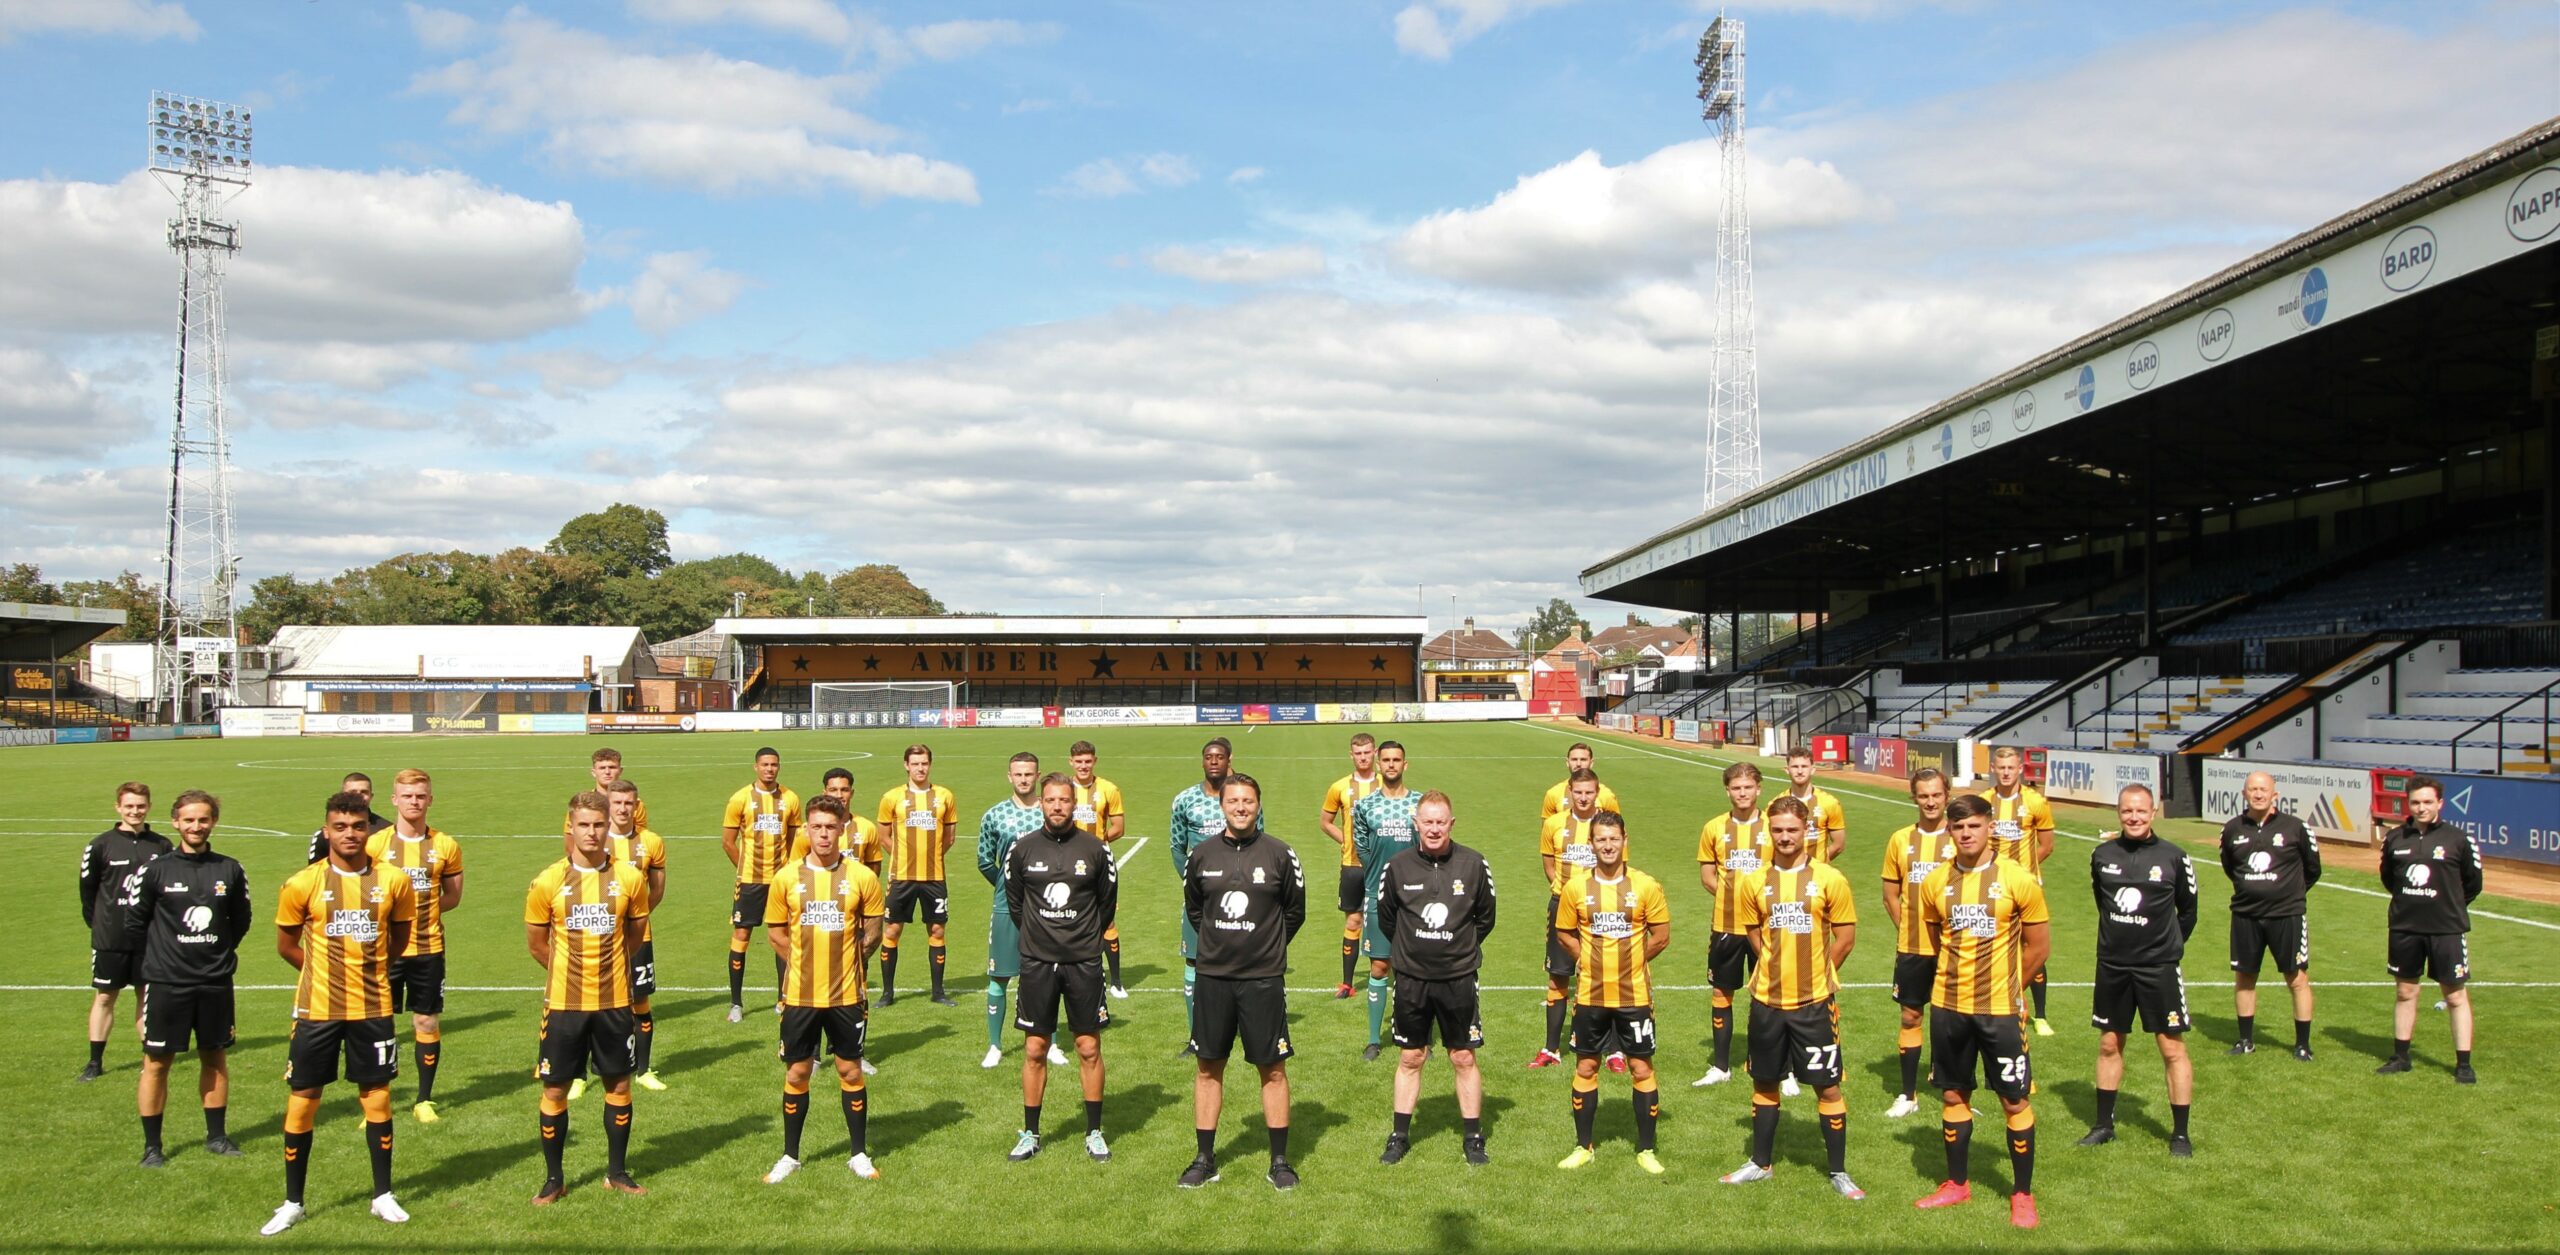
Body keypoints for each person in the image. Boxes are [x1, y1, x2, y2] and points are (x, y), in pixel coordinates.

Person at [261, 790, 419, 1235]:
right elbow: (287, 945)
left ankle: (382, 1195)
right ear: (327, 830)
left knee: (378, 1097)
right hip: (317, 1009)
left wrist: (370, 970)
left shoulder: (393, 881)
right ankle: (293, 1201)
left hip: (373, 1007)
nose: (350, 834)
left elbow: (400, 937)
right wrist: (325, 972)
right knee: (303, 1101)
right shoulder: (302, 883)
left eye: (358, 825)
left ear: (369, 828)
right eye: (340, 827)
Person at [1912, 794, 2049, 1230]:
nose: (1966, 833)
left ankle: (2022, 1194)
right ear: (1949, 831)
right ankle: (1957, 1183)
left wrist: (2011, 987)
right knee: (1953, 1094)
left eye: (1973, 825)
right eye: (1958, 827)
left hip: (2001, 1011)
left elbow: (2039, 946)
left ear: (1989, 825)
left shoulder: (2017, 878)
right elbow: (1936, 940)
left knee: (2013, 1098)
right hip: (1950, 1007)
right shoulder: (1936, 882)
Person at [1719, 797, 1861, 1196]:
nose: (1784, 837)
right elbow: (1753, 933)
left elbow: (1845, 939)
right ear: (1769, 831)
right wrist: (1772, 964)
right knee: (1765, 1082)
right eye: (1778, 830)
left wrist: (1817, 971)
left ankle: (1838, 1171)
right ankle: (1760, 1163)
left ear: (1806, 832)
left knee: (1828, 1086)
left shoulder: (1830, 879)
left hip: (1814, 1004)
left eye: (1792, 830)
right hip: (1766, 1001)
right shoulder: (1754, 882)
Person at [1178, 771, 1306, 1190]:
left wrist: (1264, 947)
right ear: (1222, 805)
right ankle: (1204, 1157)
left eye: (1248, 801)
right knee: (1208, 1067)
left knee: (1272, 1069)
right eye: (1233, 801)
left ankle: (1280, 1161)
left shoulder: (1280, 855)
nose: (1240, 807)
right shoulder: (1201, 855)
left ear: (1258, 805)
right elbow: (1196, 910)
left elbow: (1294, 912)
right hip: (1213, 977)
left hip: (1263, 979)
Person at [527, 791, 653, 1205]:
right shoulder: (547, 881)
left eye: (599, 824)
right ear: (571, 827)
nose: (592, 832)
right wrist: (570, 973)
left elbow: (633, 937)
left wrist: (606, 969)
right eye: (584, 824)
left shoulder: (630, 879)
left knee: (618, 1084)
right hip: (563, 1006)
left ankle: (616, 1172)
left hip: (615, 1002)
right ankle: (553, 1177)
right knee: (555, 1090)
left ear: (608, 827)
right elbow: (537, 945)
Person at [761, 796, 886, 1184]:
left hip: (848, 995)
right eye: (816, 826)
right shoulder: (786, 878)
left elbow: (874, 929)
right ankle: (790, 1155)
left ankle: (859, 1154)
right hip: (799, 995)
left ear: (842, 829)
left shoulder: (862, 876)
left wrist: (850, 957)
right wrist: (802, 961)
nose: (824, 834)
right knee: (798, 1072)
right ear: (806, 830)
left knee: (849, 1069)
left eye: (831, 827)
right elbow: (776, 933)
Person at [124, 788, 249, 1167]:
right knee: (157, 1063)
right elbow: (134, 923)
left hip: (214, 983)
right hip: (167, 984)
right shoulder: (156, 869)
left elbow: (240, 922)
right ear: (176, 822)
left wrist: (214, 953)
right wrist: (162, 963)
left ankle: (217, 1137)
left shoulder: (229, 868)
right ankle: (152, 1146)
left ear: (213, 821)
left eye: (204, 819)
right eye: (189, 820)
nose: (197, 826)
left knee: (214, 1058)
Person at [1371, 790, 1495, 1166]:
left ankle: (1473, 1138)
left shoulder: (1474, 864)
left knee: (1462, 1056)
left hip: (1458, 978)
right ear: (1417, 824)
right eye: (1428, 822)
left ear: (1451, 824)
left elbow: (1486, 918)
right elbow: (1387, 917)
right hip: (1412, 979)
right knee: (1411, 1056)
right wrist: (1413, 951)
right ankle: (1399, 1136)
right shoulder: (1398, 866)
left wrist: (1457, 948)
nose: (1435, 829)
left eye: (1441, 822)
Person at [1003, 773, 1119, 1164]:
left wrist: (1082, 939)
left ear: (1075, 804)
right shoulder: (1022, 849)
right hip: (1037, 963)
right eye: (1050, 800)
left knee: (1088, 1046)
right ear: (1042, 803)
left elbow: (1107, 902)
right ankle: (1030, 1133)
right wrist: (1040, 937)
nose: (1057, 806)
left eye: (1064, 800)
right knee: (1035, 1048)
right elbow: (1016, 902)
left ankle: (1094, 1131)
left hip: (1083, 961)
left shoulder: (1096, 849)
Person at [2079, 784, 2198, 1157]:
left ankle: (2179, 1133)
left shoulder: (2175, 857)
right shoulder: (2102, 855)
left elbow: (2189, 910)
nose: (2134, 817)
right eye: (2127, 811)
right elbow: (2102, 901)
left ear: (2154, 812)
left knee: (2171, 1047)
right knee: (2109, 1043)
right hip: (2113, 965)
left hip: (2158, 968)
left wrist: (2166, 946)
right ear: (2118, 812)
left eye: (2141, 811)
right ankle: (2103, 1125)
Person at [1555, 813, 1670, 1175]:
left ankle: (1647, 1149)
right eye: (1601, 839)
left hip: (1634, 996)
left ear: (1624, 840)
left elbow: (1662, 935)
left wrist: (1633, 963)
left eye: (1613, 839)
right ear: (1591, 843)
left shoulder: (1646, 885)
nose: (1607, 845)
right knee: (1587, 1065)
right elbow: (1564, 933)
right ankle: (1583, 1146)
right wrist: (1587, 960)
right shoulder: (1575, 888)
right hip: (1590, 995)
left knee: (1640, 1066)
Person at [366, 769, 465, 1124]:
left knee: (425, 1020)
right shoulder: (375, 845)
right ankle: (377, 1104)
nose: (414, 802)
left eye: (420, 796)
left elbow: (452, 896)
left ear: (430, 800)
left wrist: (421, 912)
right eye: (407, 796)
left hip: (427, 948)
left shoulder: (445, 845)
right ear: (394, 800)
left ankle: (424, 1098)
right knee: (379, 1026)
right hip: (383, 951)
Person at [2376, 777, 2482, 1083]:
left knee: (2455, 995)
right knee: (2405, 991)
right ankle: (2401, 1057)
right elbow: (2389, 879)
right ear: (2408, 804)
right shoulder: (2395, 838)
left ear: (2439, 804)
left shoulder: (2458, 840)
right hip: (2405, 927)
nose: (2421, 808)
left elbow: (2473, 883)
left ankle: (2463, 1064)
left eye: (2427, 802)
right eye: (2415, 803)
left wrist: (2447, 906)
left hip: (2446, 929)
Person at [2218, 771, 2319, 1060]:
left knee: (2297, 979)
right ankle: (2245, 1040)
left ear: (2275, 794)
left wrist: (2288, 893)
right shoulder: (2232, 829)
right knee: (2244, 977)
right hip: (2245, 915)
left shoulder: (2296, 828)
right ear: (2244, 794)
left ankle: (2302, 1044)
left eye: (2263, 789)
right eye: (2253, 789)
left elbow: (2312, 869)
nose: (2258, 794)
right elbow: (2230, 867)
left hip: (2287, 915)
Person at [979, 753, 1066, 1070]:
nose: (1024, 779)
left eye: (1029, 774)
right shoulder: (994, 816)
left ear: (1038, 775)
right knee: (998, 978)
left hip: (1048, 909)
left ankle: (1053, 1044)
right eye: (1018, 774)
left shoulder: (1051, 813)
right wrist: (1008, 887)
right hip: (1006, 908)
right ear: (1009, 776)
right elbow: (985, 860)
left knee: (1050, 976)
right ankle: (995, 1045)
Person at [78, 780, 170, 1081]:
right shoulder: (100, 845)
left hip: (148, 939)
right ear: (118, 807)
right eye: (129, 806)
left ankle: (151, 1057)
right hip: (110, 937)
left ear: (149, 807)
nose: (135, 811)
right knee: (105, 996)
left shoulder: (161, 846)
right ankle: (94, 1062)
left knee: (146, 996)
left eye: (140, 806)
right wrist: (101, 925)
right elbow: (88, 892)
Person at [1878, 768, 1956, 1118]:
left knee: (1953, 1021)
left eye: (1936, 794)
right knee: (1911, 1016)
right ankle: (1908, 1095)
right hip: (1913, 948)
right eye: (1923, 795)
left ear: (1947, 795)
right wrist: (1906, 928)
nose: (1930, 801)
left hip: (1956, 949)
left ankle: (1953, 1091)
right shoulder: (1899, 839)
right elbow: (1890, 895)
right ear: (1914, 798)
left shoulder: (1962, 838)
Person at [1693, 760, 1769, 1087]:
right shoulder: (1713, 828)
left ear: (1759, 788)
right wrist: (1732, 896)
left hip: (1767, 927)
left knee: (1768, 997)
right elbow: (1708, 877)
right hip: (1725, 925)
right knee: (1722, 994)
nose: (1742, 793)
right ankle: (1721, 1067)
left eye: (1748, 787)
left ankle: (1775, 1066)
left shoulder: (1774, 826)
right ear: (1727, 791)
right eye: (1736, 788)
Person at [1532, 769, 1609, 1068]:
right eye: (1578, 792)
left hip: (1600, 907)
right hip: (1562, 906)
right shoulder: (1554, 824)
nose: (1584, 797)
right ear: (1570, 792)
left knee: (1605, 975)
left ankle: (1612, 1050)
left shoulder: (1607, 825)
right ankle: (1552, 1048)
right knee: (1558, 976)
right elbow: (1549, 864)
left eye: (1589, 792)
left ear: (1597, 791)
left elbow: (1618, 864)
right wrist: (1564, 892)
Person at [723, 747, 805, 1022]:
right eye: (765, 764)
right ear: (756, 767)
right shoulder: (740, 798)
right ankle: (736, 1003)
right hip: (749, 882)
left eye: (774, 764)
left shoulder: (790, 799)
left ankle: (784, 999)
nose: (770, 769)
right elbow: (728, 842)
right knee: (742, 936)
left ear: (779, 767)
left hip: (780, 883)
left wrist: (788, 871)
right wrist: (745, 868)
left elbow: (796, 839)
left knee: (782, 937)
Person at [1351, 741, 1422, 1061]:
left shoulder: (1420, 804)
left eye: (1397, 760)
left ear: (1405, 765)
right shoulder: (1365, 806)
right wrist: (1383, 877)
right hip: (1378, 895)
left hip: (1417, 899)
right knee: (1380, 966)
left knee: (1415, 970)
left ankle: (1415, 1036)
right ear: (1378, 765)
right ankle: (1373, 1039)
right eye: (1386, 760)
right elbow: (1362, 849)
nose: (1391, 765)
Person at [1980, 746, 2057, 1037]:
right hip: (1991, 888)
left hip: (2026, 890)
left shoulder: (2036, 802)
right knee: (1994, 946)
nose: (2006, 772)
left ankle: (2041, 1015)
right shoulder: (1983, 801)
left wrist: (2024, 873)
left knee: (2033, 949)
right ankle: (1995, 1001)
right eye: (2001, 768)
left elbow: (2046, 845)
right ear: (1993, 769)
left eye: (2011, 767)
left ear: (2020, 769)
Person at [876, 743, 959, 1007]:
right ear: (906, 765)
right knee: (891, 930)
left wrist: (931, 855)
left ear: (930, 765)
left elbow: (949, 838)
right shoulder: (891, 797)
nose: (920, 768)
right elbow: (883, 836)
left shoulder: (945, 796)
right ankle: (887, 993)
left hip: (934, 878)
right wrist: (902, 856)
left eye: (924, 763)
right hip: (901, 877)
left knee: (936, 929)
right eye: (915, 763)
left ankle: (938, 992)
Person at [605, 779, 674, 1090]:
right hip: (599, 938)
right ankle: (582, 1075)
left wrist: (636, 920)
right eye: (617, 802)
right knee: (594, 1007)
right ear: (608, 803)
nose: (622, 808)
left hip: (638, 937)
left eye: (628, 803)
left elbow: (656, 890)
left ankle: (644, 1070)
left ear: (636, 805)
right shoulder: (595, 840)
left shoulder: (652, 842)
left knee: (640, 1002)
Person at [1166, 737, 1234, 1055]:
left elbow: (1257, 841)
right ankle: (1196, 1036)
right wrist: (1192, 883)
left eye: (1219, 756)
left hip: (1236, 898)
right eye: (1209, 756)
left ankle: (1235, 1028)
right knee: (1194, 961)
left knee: (1236, 960)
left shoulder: (1240, 798)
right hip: (1199, 899)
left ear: (1229, 759)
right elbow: (1177, 847)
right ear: (1203, 761)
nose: (1214, 761)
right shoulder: (1185, 800)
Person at [1317, 732, 1383, 1000]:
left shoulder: (1385, 784)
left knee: (1390, 920)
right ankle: (1347, 984)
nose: (1363, 757)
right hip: (1352, 865)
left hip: (1382, 865)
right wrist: (1345, 841)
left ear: (1375, 753)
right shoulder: (1339, 787)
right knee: (1354, 920)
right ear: (1351, 755)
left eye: (1367, 752)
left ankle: (1390, 973)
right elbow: (1325, 822)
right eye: (1358, 753)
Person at [1067, 741, 1130, 998]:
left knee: (1107, 919)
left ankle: (1115, 981)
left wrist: (1096, 844)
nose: (1083, 766)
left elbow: (1119, 826)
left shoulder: (1108, 789)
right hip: (1067, 863)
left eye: (1088, 761)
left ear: (1095, 761)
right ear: (1071, 762)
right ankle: (1076, 973)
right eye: (1079, 761)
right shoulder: (1063, 788)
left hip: (1100, 863)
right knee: (1069, 916)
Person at [1779, 747, 1849, 863]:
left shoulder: (1829, 803)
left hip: (1818, 877)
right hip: (1787, 873)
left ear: (1812, 769)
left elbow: (1838, 845)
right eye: (1795, 767)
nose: (1800, 771)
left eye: (1804, 766)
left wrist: (1818, 865)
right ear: (1787, 770)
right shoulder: (1777, 804)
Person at [301, 771, 388, 864]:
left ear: (371, 796)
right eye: (352, 792)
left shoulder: (386, 829)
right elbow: (314, 870)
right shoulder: (326, 834)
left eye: (364, 792)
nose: (358, 796)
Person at [820, 767, 887, 882]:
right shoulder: (810, 829)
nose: (839, 795)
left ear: (852, 793)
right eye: (833, 790)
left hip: (855, 894)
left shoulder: (866, 827)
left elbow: (874, 865)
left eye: (844, 790)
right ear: (824, 793)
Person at [565, 747, 650, 834]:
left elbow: (642, 838)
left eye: (612, 767)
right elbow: (570, 842)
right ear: (593, 772)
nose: (607, 772)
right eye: (602, 768)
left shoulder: (635, 804)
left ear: (620, 771)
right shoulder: (580, 804)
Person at [1540, 743, 1622, 819]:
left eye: (1583, 760)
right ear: (1567, 762)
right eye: (1574, 759)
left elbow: (1617, 830)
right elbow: (1548, 830)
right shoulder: (1553, 793)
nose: (1578, 764)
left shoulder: (1606, 795)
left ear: (1591, 763)